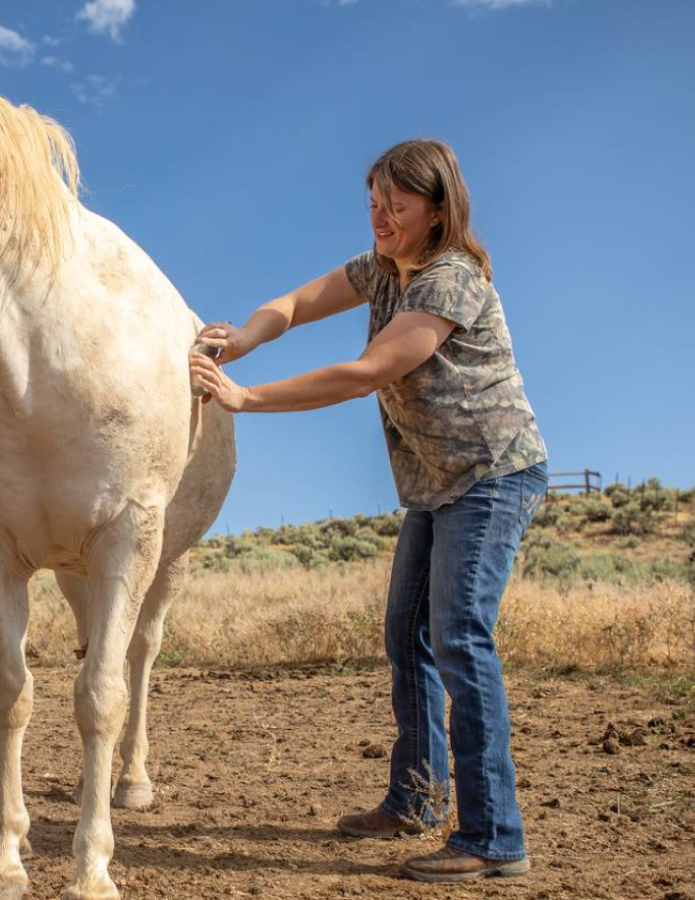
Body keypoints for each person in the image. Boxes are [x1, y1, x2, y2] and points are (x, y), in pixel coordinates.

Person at [189, 138, 547, 883]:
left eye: (398, 205)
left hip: (491, 476)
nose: (381, 217)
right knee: (406, 633)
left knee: (459, 639)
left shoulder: (450, 280)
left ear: (439, 210)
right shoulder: (382, 268)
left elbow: (366, 373)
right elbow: (293, 305)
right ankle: (418, 801)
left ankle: (493, 839)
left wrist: (245, 398)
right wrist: (242, 339)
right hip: (433, 483)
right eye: (374, 203)